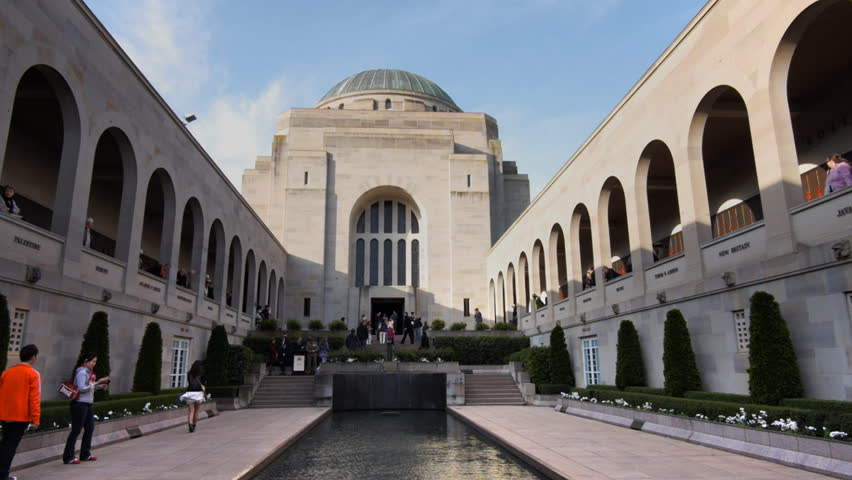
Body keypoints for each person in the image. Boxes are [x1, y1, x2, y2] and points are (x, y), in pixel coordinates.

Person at [0, 344, 40, 480]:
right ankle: (3, 475)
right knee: (10, 447)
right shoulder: (32, 374)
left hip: (5, 415)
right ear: (33, 357)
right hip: (20, 417)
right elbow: (34, 399)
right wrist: (36, 419)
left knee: (5, 444)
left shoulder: (7, 372)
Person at [63, 352, 109, 464]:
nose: (94, 364)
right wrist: (98, 382)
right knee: (76, 430)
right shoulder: (82, 372)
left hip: (87, 404)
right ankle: (68, 456)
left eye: (95, 362)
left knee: (89, 428)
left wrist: (99, 386)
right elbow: (82, 388)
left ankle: (85, 454)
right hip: (79, 404)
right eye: (93, 361)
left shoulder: (88, 372)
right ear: (86, 361)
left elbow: (88, 388)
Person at [179, 361, 205, 433]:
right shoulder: (201, 373)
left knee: (191, 411)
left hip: (190, 392)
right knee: (196, 410)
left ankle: (190, 425)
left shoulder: (189, 373)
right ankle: (194, 425)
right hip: (198, 393)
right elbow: (202, 383)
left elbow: (190, 382)